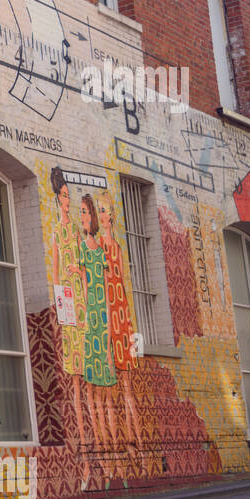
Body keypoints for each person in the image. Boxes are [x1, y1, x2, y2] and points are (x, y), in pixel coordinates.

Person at [96, 192, 142, 449]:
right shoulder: (96, 246)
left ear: (112, 214)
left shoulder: (117, 248)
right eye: (100, 210)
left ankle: (137, 440)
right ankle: (114, 443)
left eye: (105, 210)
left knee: (127, 382)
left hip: (121, 315)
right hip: (105, 315)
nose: (103, 215)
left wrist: (130, 328)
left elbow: (122, 282)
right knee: (108, 383)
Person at [49, 167, 87, 441]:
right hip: (67, 296)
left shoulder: (76, 229)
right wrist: (60, 302)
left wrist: (79, 270)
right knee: (73, 360)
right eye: (64, 195)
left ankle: (87, 408)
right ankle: (79, 425)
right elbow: (54, 269)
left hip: (81, 294)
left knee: (86, 356)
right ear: (57, 198)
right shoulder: (56, 231)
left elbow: (85, 263)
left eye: (68, 195)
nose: (67, 200)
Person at [79, 194, 119, 443]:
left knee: (106, 390)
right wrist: (86, 315)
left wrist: (109, 323)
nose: (83, 216)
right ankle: (100, 440)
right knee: (92, 387)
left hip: (102, 316)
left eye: (85, 212)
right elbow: (86, 284)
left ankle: (112, 441)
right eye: (81, 212)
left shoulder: (98, 251)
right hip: (92, 317)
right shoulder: (83, 248)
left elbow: (103, 284)